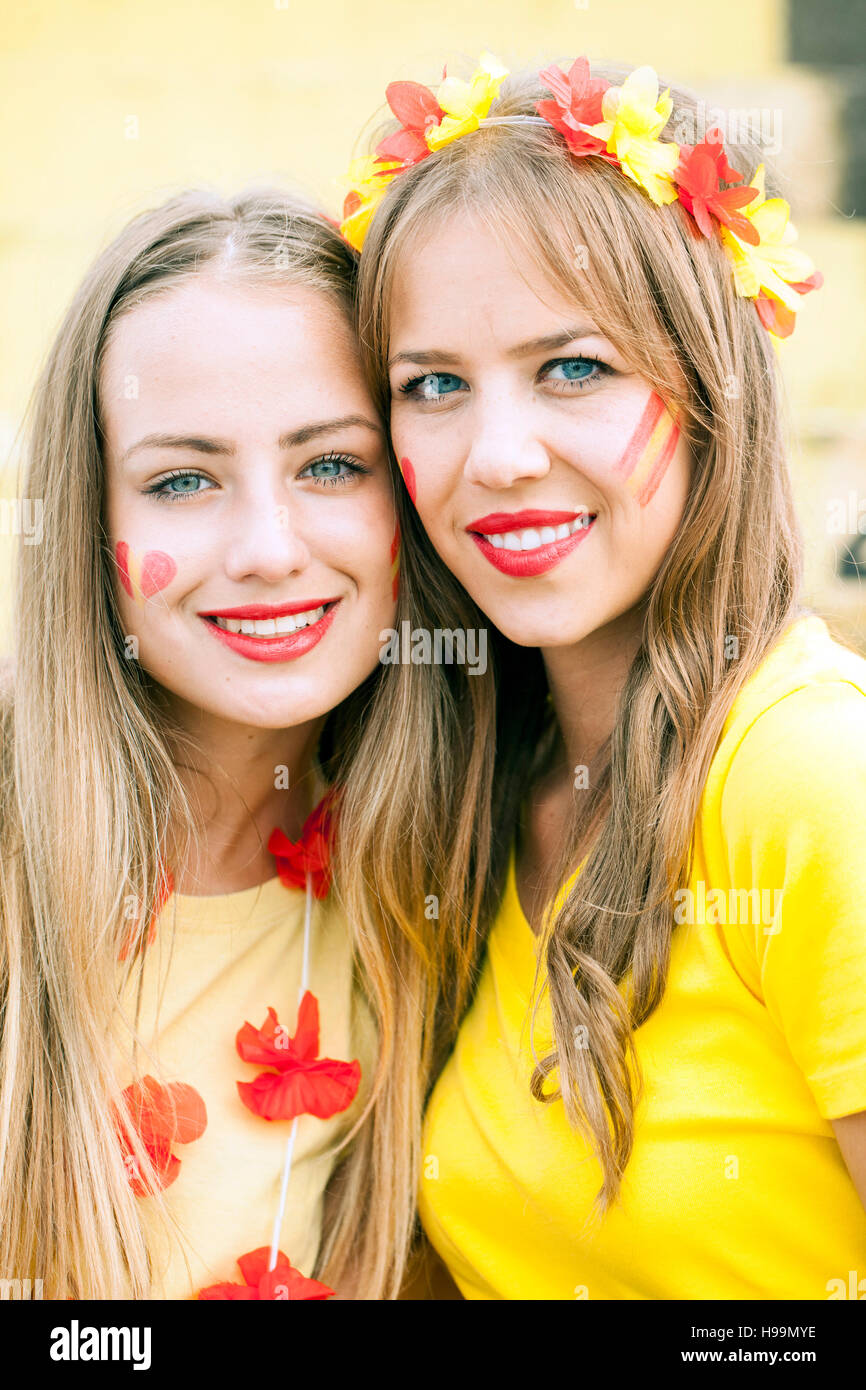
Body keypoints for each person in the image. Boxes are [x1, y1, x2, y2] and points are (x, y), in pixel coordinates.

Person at [346, 53, 866, 1298]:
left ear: (705, 387)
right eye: (432, 386)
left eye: (572, 368)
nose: (500, 455)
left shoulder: (804, 775)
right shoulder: (468, 783)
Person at [0, 188, 478, 1300]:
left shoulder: (436, 866)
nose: (268, 548)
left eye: (329, 465)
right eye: (181, 480)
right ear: (92, 524)